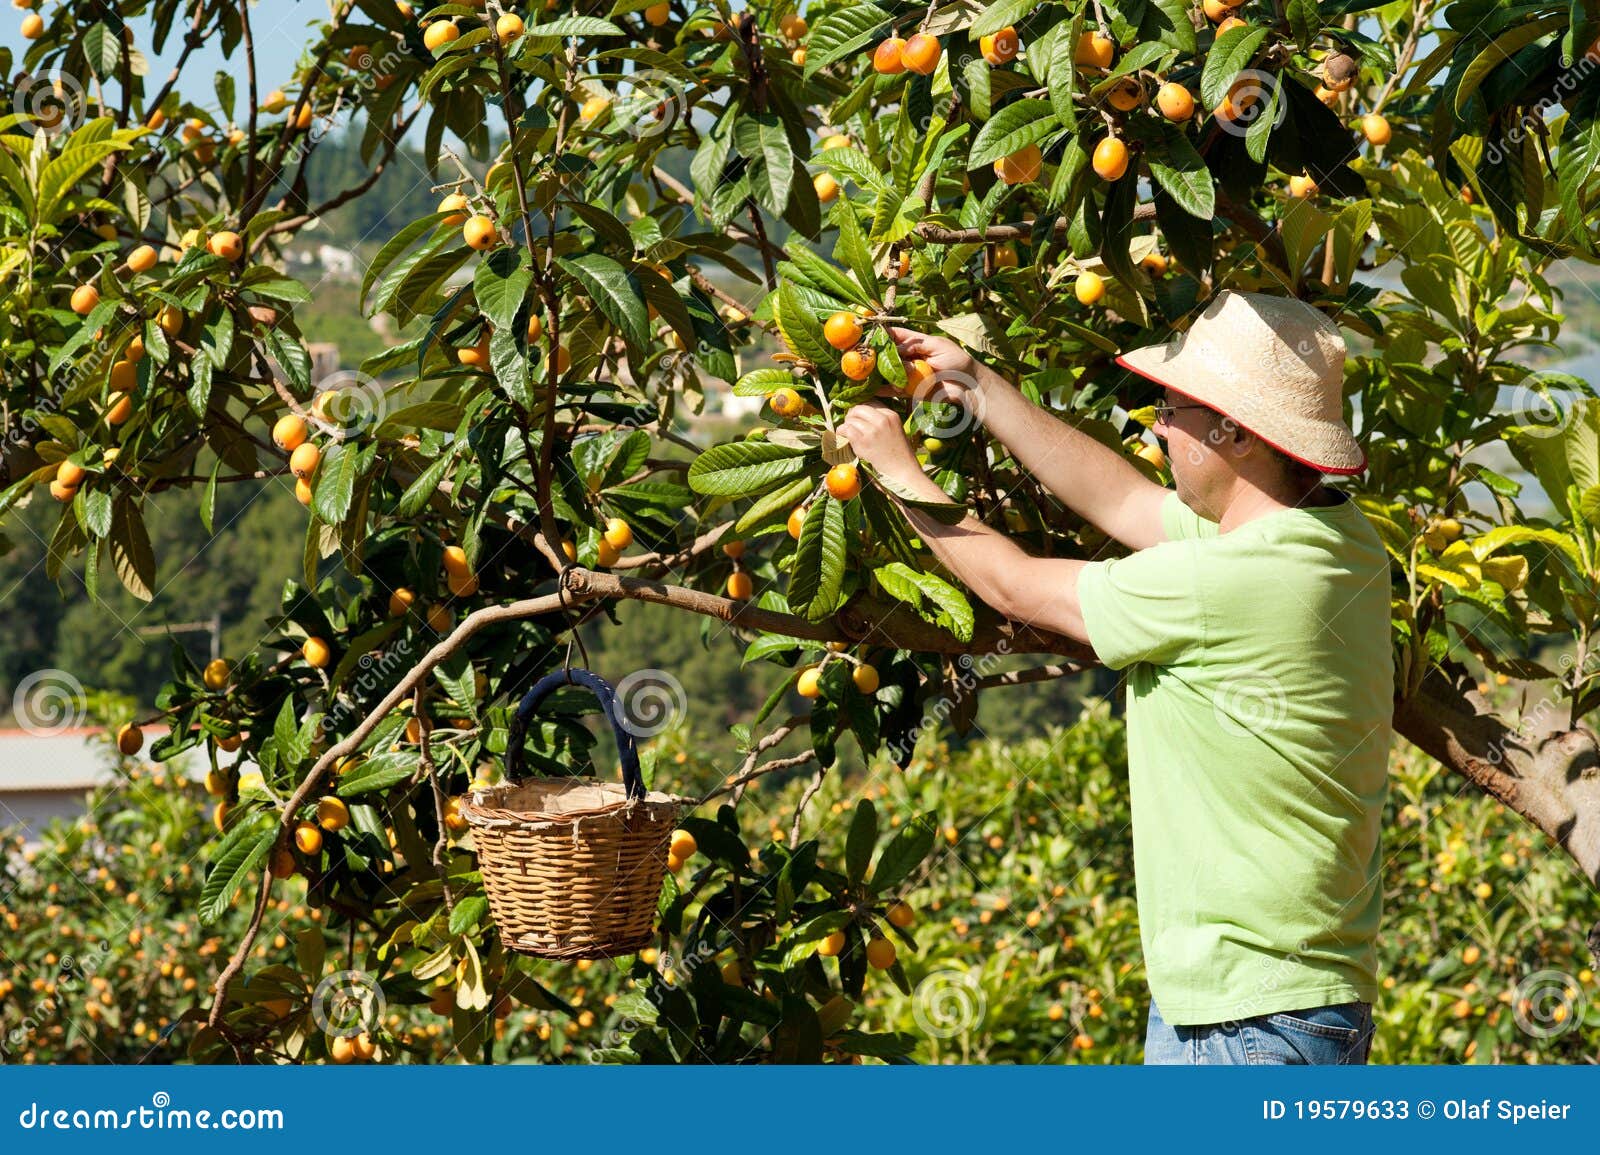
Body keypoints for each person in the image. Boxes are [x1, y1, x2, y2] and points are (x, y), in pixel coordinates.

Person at [838, 290, 1392, 1065]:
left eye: (1174, 410)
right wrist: (980, 387)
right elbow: (1126, 501)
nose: (1157, 426)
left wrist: (898, 470)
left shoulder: (1228, 581)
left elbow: (1015, 588)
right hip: (1296, 1001)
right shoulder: (1336, 538)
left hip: (1242, 1020)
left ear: (1236, 433)